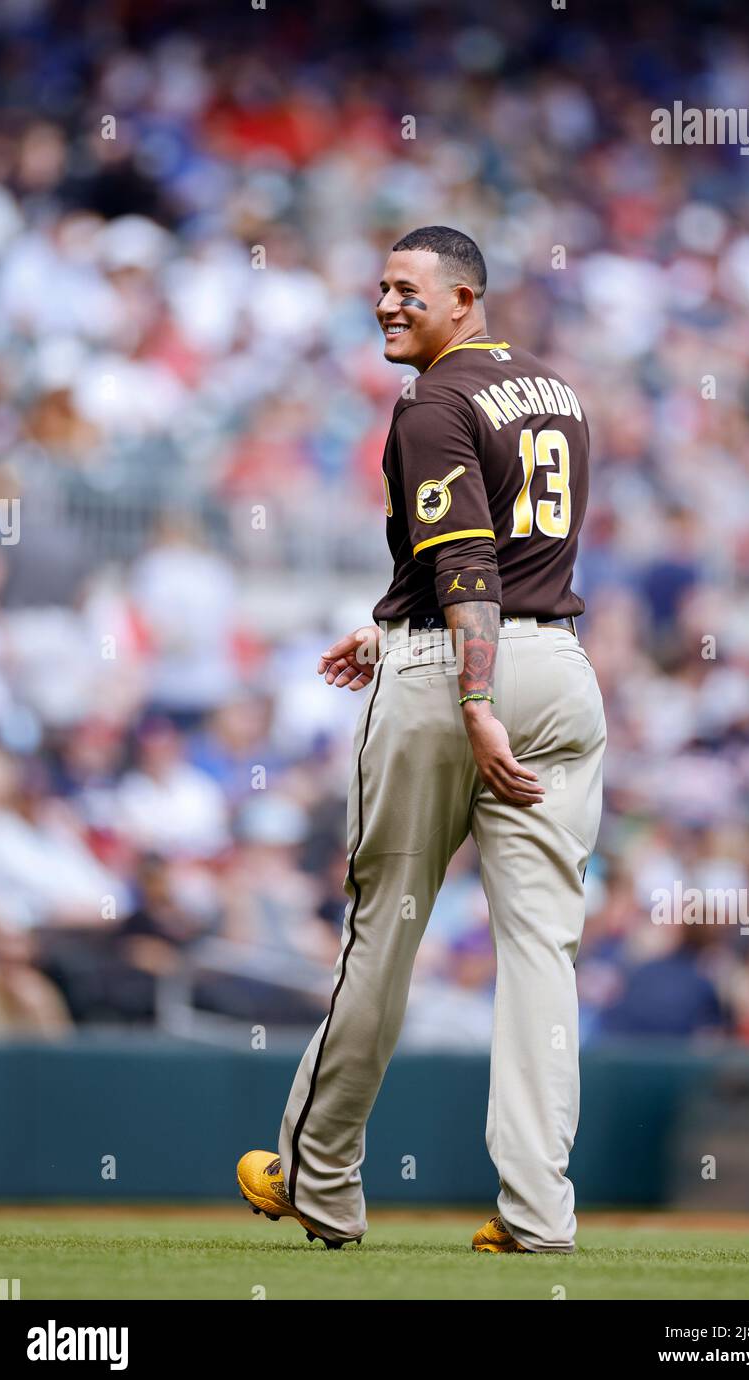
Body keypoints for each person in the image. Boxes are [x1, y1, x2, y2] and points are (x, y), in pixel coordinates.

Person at [238, 226, 606, 1254]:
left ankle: (321, 1181)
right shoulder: (557, 393)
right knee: (541, 954)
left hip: (461, 678)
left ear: (463, 297)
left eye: (406, 288)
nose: (385, 302)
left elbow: (475, 562)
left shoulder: (431, 400)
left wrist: (472, 696)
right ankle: (537, 1213)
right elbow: (514, 556)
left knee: (383, 930)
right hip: (560, 677)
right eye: (379, 287)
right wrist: (393, 617)